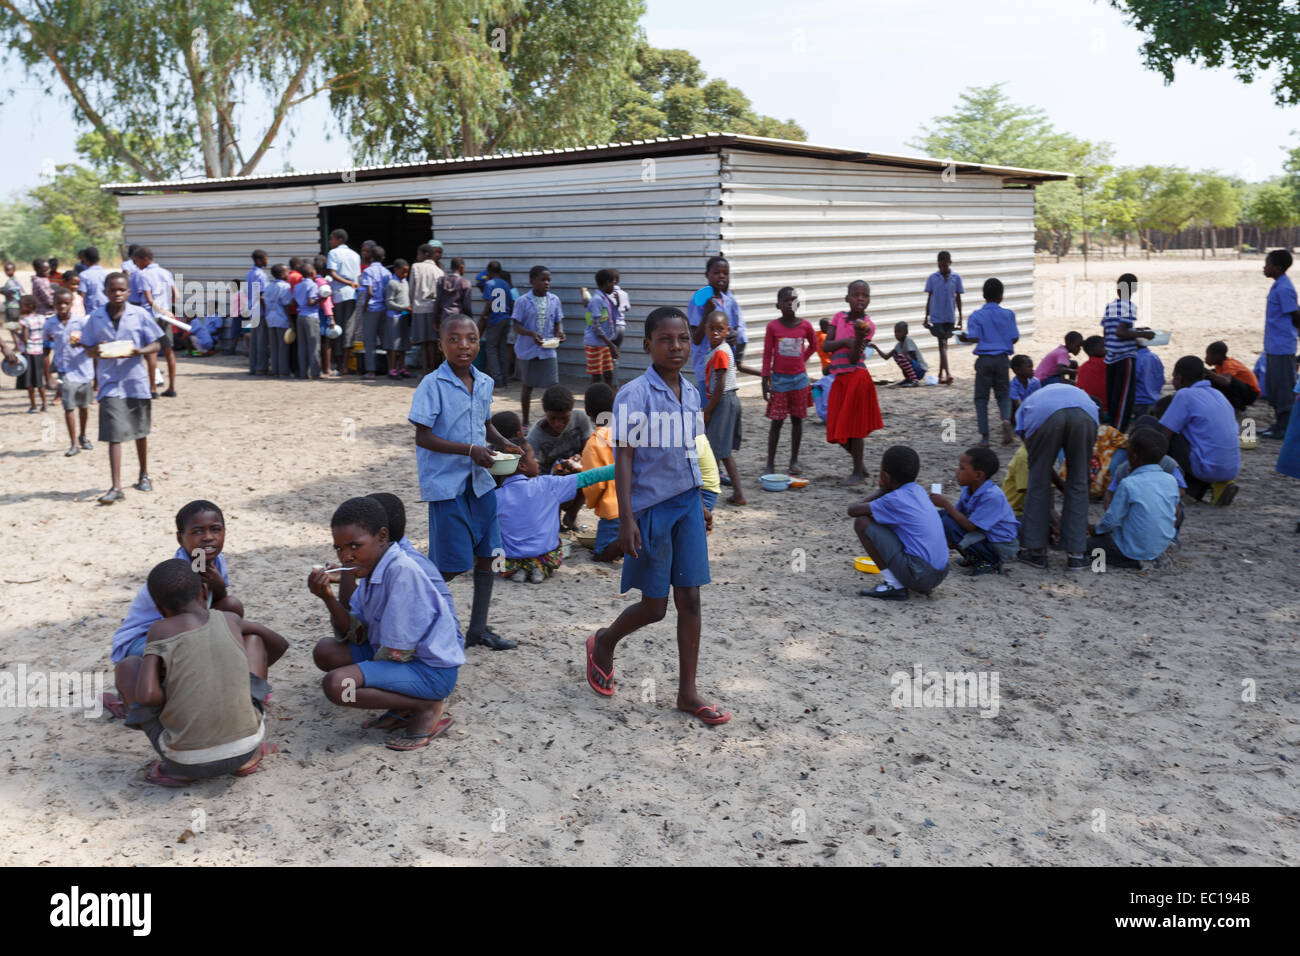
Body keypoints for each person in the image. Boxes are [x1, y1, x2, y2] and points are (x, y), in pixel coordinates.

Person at [584, 306, 728, 725]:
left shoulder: (692, 391)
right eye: (666, 340)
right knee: (654, 607)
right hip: (649, 510)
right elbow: (624, 458)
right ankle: (605, 642)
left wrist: (701, 501)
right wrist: (626, 517)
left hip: (686, 504)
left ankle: (687, 692)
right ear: (647, 345)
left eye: (683, 338)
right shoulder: (634, 394)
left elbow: (692, 450)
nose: (676, 346)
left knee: (691, 599)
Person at [309, 497, 462, 751]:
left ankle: (425, 707)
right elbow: (355, 634)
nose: (346, 556)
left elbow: (397, 652)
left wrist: (365, 675)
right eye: (339, 548)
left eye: (354, 546)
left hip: (430, 671)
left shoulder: (402, 571)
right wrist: (327, 597)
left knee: (339, 686)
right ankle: (403, 705)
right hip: (399, 657)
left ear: (382, 537)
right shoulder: (372, 569)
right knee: (326, 651)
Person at [409, 315, 524, 651]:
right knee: (451, 563)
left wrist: (503, 443)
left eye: (471, 339)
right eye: (455, 339)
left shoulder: (484, 382)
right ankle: (414, 618)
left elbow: (484, 422)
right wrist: (469, 450)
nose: (464, 346)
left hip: (481, 483)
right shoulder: (432, 384)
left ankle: (478, 630)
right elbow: (423, 437)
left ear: (479, 342)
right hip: (447, 486)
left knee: (489, 554)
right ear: (441, 344)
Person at [119, 559, 283, 785]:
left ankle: (175, 770)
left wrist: (169, 693)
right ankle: (249, 758)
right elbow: (280, 644)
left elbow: (148, 696)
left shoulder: (159, 630)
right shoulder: (230, 619)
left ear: (158, 609)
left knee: (127, 667)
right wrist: (244, 681)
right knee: (254, 640)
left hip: (186, 761)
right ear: (204, 590)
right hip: (246, 748)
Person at [102, 500, 248, 719]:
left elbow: (210, 605)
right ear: (180, 538)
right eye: (197, 532)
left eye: (215, 530)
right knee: (195, 646)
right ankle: (135, 701)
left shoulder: (213, 560)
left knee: (231, 605)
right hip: (143, 639)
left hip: (180, 627)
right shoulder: (178, 572)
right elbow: (181, 621)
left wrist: (219, 588)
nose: (208, 537)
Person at [493, 414, 614, 582]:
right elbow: (589, 477)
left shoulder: (494, 497)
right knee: (555, 548)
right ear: (521, 465)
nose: (537, 461)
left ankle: (517, 570)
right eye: (533, 457)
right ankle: (539, 569)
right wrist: (620, 467)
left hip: (509, 559)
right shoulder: (548, 485)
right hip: (545, 557)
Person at [77, 273, 163, 502]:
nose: (117, 294)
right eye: (112, 290)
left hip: (135, 380)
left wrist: (140, 351)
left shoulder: (140, 314)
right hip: (109, 382)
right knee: (113, 433)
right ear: (105, 292)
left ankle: (144, 474)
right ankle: (116, 487)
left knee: (140, 430)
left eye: (121, 290)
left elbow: (156, 343)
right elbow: (87, 348)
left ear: (128, 292)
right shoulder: (95, 317)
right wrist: (96, 349)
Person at [1014, 383, 1099, 571]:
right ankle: (1076, 555)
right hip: (1086, 413)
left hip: (1044, 416)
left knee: (1038, 483)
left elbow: (1036, 463)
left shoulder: (1025, 408)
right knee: (1079, 482)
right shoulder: (1079, 393)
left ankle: (1036, 552)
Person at [850, 445, 950, 600]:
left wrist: (881, 490)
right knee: (880, 521)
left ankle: (894, 586)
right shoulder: (918, 491)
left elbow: (853, 510)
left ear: (886, 476)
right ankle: (901, 582)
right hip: (940, 573)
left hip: (921, 575)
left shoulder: (894, 500)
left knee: (862, 523)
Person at [1087, 426, 1180, 569]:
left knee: (1090, 546)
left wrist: (1094, 529)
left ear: (1133, 456)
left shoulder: (1128, 484)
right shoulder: (1171, 480)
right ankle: (1150, 558)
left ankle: (1128, 562)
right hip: (1160, 547)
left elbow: (1111, 521)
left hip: (1131, 549)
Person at [824, 280, 884, 486]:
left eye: (865, 295)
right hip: (840, 380)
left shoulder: (868, 326)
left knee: (854, 429)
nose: (860, 298)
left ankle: (858, 471)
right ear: (847, 298)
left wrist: (858, 338)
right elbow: (826, 346)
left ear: (869, 300)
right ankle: (861, 466)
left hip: (857, 379)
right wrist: (845, 341)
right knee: (835, 427)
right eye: (856, 294)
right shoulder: (838, 318)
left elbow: (853, 358)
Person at [1159, 355, 1241, 506]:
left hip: (1206, 467)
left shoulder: (1184, 395)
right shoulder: (1218, 394)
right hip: (1231, 467)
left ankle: (1187, 487)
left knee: (1166, 435)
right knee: (1196, 437)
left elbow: (1166, 435)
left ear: (1179, 378)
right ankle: (1216, 486)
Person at [931, 446, 1021, 575]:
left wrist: (945, 504)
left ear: (978, 475)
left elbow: (970, 526)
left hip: (999, 544)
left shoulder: (992, 496)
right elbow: (955, 514)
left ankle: (988, 562)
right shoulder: (968, 490)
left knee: (948, 524)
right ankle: (973, 558)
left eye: (962, 468)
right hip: (983, 536)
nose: (957, 472)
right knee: (942, 517)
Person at [702, 311, 761, 504]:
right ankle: (735, 493)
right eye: (712, 329)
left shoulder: (720, 352)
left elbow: (720, 385)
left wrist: (708, 411)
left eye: (720, 329)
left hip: (723, 401)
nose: (716, 333)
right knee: (721, 450)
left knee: (716, 451)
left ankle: (720, 492)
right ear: (705, 330)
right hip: (727, 400)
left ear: (727, 331)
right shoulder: (720, 349)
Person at [762, 287, 818, 474]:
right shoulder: (773, 327)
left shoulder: (805, 326)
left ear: (798, 304)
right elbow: (767, 354)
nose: (789, 303)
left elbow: (814, 344)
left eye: (793, 300)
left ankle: (793, 461)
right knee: (776, 422)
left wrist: (802, 358)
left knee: (797, 420)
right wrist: (765, 379)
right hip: (779, 381)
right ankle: (770, 463)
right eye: (785, 300)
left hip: (800, 380)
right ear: (777, 305)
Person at [958, 277, 1019, 446]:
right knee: (1004, 395)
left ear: (983, 295)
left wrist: (964, 337)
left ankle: (985, 436)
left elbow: (974, 337)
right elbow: (1014, 338)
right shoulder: (1008, 315)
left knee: (981, 398)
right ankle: (1006, 420)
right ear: (1001, 296)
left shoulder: (976, 316)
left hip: (984, 360)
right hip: (1002, 360)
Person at [525, 384, 594, 531]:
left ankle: (571, 516)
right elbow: (532, 476)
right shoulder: (535, 437)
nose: (558, 424)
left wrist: (579, 459)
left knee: (591, 473)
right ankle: (553, 519)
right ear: (545, 412)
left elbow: (589, 450)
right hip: (548, 479)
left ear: (571, 411)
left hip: (575, 471)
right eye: (552, 418)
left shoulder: (580, 418)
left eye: (564, 418)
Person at [1100, 273, 1156, 431]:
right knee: (1124, 399)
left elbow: (1108, 332)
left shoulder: (1110, 306)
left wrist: (1136, 330)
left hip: (1111, 357)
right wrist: (1143, 334)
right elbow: (1121, 332)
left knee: (1113, 397)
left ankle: (1112, 429)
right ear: (1134, 289)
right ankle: (1117, 433)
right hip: (1124, 356)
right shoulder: (1129, 306)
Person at [512, 265, 565, 427]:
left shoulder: (554, 300)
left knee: (553, 386)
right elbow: (516, 326)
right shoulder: (522, 301)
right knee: (528, 386)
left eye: (548, 280)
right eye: (542, 280)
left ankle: (552, 419)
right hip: (528, 350)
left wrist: (560, 333)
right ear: (532, 281)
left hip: (548, 350)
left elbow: (558, 321)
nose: (546, 283)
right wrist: (531, 334)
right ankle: (526, 421)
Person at [45, 288, 94, 454]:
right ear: (54, 304)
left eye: (66, 303)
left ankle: (83, 435)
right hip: (64, 371)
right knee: (68, 407)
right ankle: (73, 443)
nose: (63, 306)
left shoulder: (81, 323)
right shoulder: (50, 324)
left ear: (72, 304)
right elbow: (45, 349)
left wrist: (82, 343)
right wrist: (47, 375)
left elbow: (92, 345)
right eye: (59, 303)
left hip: (83, 370)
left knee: (83, 406)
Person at [687, 256, 748, 385]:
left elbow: (737, 327)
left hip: (726, 364)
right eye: (716, 273)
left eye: (725, 273)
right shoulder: (699, 300)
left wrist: (734, 335)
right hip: (706, 367)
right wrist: (707, 312)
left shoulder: (729, 300)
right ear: (707, 274)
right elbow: (696, 339)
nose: (721, 276)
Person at [127, 247, 178, 398]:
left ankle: (153, 389)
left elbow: (149, 300)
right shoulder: (165, 273)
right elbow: (175, 294)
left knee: (152, 353)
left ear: (144, 259)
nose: (135, 265)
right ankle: (172, 387)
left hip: (151, 316)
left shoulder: (144, 275)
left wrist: (160, 310)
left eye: (136, 261)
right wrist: (167, 309)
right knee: (169, 351)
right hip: (166, 316)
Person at [1260, 249, 1300, 439]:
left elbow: (1296, 315)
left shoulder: (1284, 289)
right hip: (1274, 345)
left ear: (1277, 268)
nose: (1264, 267)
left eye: (1267, 264)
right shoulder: (1278, 285)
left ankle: (1284, 427)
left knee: (1283, 387)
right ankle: (1279, 425)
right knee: (1274, 386)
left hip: (1282, 346)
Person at [580, 383, 622, 562]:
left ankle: (627, 543)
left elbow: (595, 483)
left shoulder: (594, 443)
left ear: (588, 413)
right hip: (641, 502)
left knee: (600, 554)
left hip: (614, 509)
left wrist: (591, 502)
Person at [922, 251, 964, 385]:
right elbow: (929, 299)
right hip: (937, 316)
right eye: (940, 266)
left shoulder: (956, 278)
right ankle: (948, 374)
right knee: (942, 344)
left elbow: (958, 298)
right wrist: (926, 317)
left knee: (944, 345)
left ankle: (940, 374)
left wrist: (961, 318)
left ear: (950, 264)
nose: (942, 269)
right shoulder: (932, 278)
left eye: (945, 266)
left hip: (950, 316)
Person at [326, 229, 362, 373]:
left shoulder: (333, 253)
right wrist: (352, 284)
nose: (330, 242)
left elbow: (333, 274)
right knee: (349, 329)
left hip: (339, 294)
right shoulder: (355, 255)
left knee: (338, 328)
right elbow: (358, 277)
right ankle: (345, 365)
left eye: (331, 239)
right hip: (352, 294)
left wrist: (347, 282)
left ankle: (341, 364)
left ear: (339, 239)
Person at [408, 243, 445, 376]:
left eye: (418, 254)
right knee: (433, 341)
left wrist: (411, 303)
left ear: (424, 254)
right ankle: (434, 369)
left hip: (419, 308)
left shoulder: (416, 267)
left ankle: (426, 369)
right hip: (433, 308)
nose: (417, 257)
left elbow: (412, 288)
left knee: (423, 342)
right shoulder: (439, 271)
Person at [356, 244, 392, 380]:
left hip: (371, 309)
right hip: (384, 308)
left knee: (369, 341)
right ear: (383, 258)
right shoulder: (387, 273)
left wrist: (365, 306)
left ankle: (371, 371)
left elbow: (369, 291)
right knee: (385, 339)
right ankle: (391, 368)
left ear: (371, 257)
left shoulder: (368, 271)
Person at [477, 260, 514, 387]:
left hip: (495, 319)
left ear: (489, 272)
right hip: (505, 318)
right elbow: (510, 302)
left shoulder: (489, 284)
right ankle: (504, 377)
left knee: (491, 348)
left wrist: (484, 317)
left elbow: (489, 303)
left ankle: (497, 379)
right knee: (503, 348)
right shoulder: (505, 284)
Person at [584, 268, 621, 390]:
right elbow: (596, 326)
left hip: (604, 343)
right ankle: (593, 403)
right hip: (595, 344)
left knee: (608, 373)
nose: (615, 286)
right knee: (596, 376)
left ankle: (608, 400)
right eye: (613, 283)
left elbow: (610, 318)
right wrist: (611, 345)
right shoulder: (597, 300)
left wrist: (617, 304)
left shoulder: (606, 298)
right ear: (606, 283)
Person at [1203, 340, 1260, 414]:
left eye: (1208, 355)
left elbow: (1226, 382)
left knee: (1226, 381)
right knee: (1211, 376)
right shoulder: (1219, 365)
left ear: (1217, 356)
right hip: (1244, 390)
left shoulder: (1228, 364)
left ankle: (1237, 407)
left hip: (1251, 394)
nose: (1206, 358)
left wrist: (1206, 371)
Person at [290, 260, 323, 379]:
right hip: (311, 317)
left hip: (300, 317)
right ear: (311, 272)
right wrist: (322, 298)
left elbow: (293, 302)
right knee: (314, 346)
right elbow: (311, 302)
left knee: (302, 346)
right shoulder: (313, 285)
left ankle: (303, 373)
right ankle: (315, 373)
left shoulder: (297, 286)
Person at [16, 294, 47, 412]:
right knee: (39, 381)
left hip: (28, 352)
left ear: (29, 306)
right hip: (39, 351)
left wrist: (15, 332)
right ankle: (44, 404)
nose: (19, 308)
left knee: (29, 382)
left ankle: (33, 406)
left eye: (21, 306)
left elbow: (25, 338)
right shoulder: (41, 318)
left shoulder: (25, 320)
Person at [873, 320, 928, 386]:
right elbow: (886, 357)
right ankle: (909, 379)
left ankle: (914, 380)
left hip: (919, 370)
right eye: (895, 332)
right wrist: (876, 348)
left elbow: (914, 358)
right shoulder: (898, 346)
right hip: (913, 370)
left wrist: (907, 359)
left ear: (905, 332)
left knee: (901, 357)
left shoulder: (908, 341)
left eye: (899, 332)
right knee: (896, 355)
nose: (896, 334)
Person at [262, 264, 292, 377]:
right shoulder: (285, 287)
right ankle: (283, 371)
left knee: (274, 347)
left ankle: (275, 370)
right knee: (283, 347)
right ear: (281, 274)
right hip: (282, 319)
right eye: (286, 272)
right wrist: (291, 322)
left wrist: (266, 316)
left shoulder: (268, 287)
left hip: (270, 319)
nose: (288, 273)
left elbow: (264, 302)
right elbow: (286, 305)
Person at [384, 258, 411, 379]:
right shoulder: (392, 283)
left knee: (404, 344)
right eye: (403, 272)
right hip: (394, 317)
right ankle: (392, 369)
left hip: (404, 316)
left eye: (407, 272)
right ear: (396, 270)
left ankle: (403, 368)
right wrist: (403, 307)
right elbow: (388, 302)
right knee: (394, 346)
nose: (405, 274)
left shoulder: (405, 282)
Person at [1075, 335, 1108, 415]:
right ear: (1092, 350)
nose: (1107, 348)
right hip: (1107, 409)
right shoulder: (1108, 363)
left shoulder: (1082, 368)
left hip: (1088, 408)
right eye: (1103, 346)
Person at [1133, 338, 1165, 417]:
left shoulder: (1137, 359)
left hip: (1140, 402)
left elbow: (1132, 380)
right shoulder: (1155, 357)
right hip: (1155, 400)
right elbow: (1162, 379)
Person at [78, 247, 109, 315]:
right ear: (98, 259)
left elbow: (81, 296)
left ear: (85, 259)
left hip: (91, 312)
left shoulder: (84, 275)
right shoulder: (107, 273)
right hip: (107, 310)